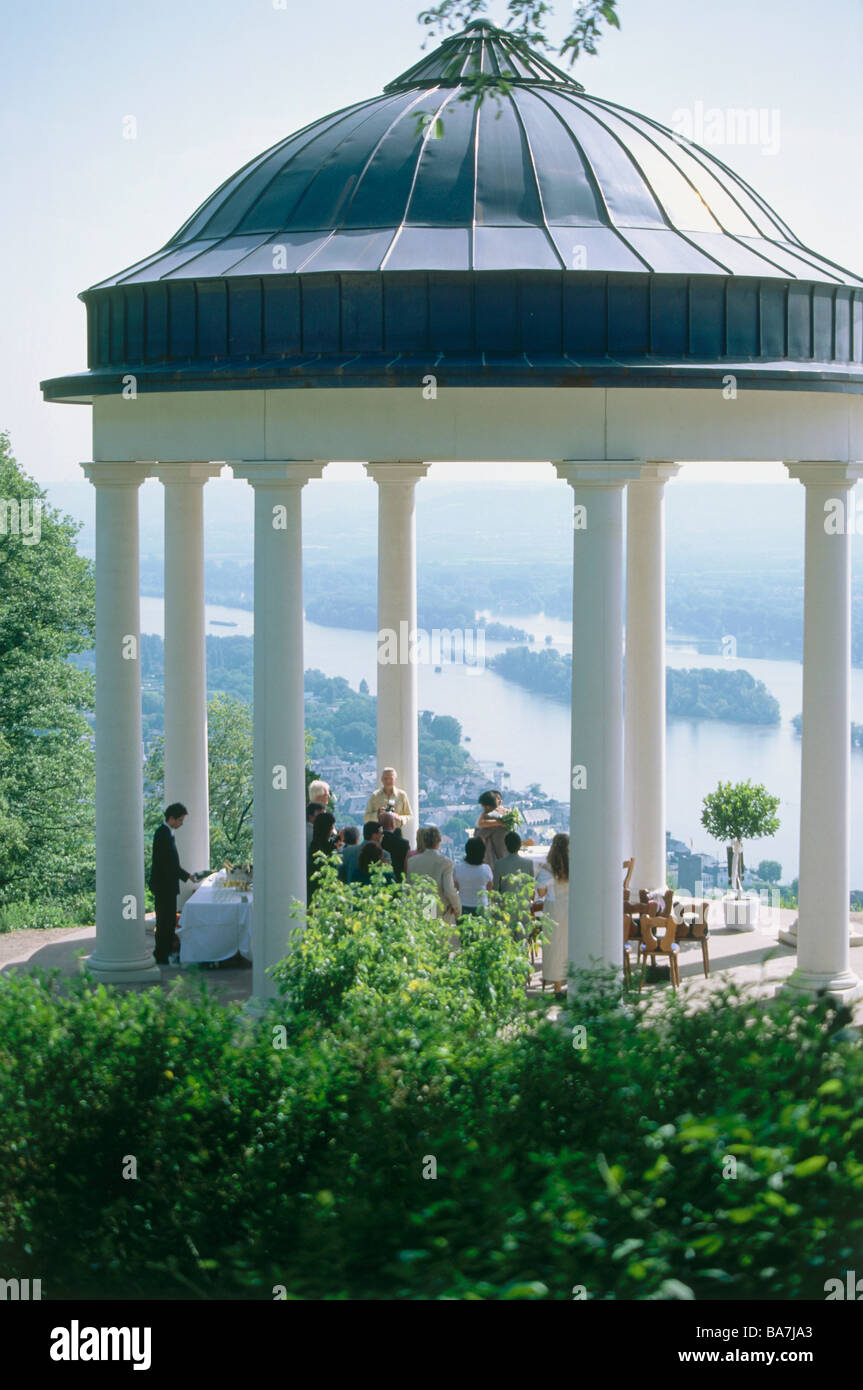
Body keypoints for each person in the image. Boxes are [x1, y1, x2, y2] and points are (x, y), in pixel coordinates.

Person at [149, 802, 203, 966]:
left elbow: (172, 862)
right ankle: (161, 955)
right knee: (165, 921)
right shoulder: (163, 834)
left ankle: (163, 953)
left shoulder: (166, 832)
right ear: (171, 818)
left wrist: (186, 875)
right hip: (164, 885)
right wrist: (188, 876)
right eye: (180, 820)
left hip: (166, 884)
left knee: (167, 920)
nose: (181, 823)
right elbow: (169, 864)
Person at [535, 833, 570, 996]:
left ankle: (557, 986)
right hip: (572, 908)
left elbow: (541, 892)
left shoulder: (548, 868)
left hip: (555, 909)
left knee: (555, 946)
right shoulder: (575, 865)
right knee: (571, 944)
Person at [406, 826, 461, 922]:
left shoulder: (411, 861)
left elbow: (408, 887)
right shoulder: (445, 862)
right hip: (438, 911)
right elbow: (448, 890)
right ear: (440, 840)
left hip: (418, 908)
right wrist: (457, 908)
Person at [364, 767, 412, 832]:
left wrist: (400, 818)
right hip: (379, 834)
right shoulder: (375, 796)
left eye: (391, 778)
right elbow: (366, 818)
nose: (388, 781)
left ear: (395, 779)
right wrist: (378, 814)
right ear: (381, 780)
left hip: (397, 833)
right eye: (385, 778)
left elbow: (409, 815)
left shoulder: (402, 795)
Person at [454, 836, 493, 915]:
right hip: (482, 907)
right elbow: (489, 888)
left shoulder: (458, 868)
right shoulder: (486, 869)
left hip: (463, 906)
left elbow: (455, 887)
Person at [307, 811, 339, 900]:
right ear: (327, 828)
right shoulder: (326, 848)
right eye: (332, 826)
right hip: (324, 891)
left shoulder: (314, 844)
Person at [475, 790, 509, 867]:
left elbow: (479, 835)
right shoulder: (505, 815)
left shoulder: (490, 817)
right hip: (505, 855)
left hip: (494, 858)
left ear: (487, 806)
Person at [378, 809, 409, 883]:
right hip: (398, 879)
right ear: (393, 825)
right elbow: (405, 866)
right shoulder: (403, 843)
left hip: (380, 879)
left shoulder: (377, 842)